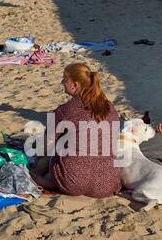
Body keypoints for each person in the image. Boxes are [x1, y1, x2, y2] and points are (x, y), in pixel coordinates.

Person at [29, 62, 121, 198]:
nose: (62, 83)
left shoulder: (64, 110)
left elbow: (47, 144)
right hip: (107, 184)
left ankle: (40, 179)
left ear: (75, 85)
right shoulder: (110, 107)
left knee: (56, 146)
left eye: (65, 80)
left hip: (73, 182)